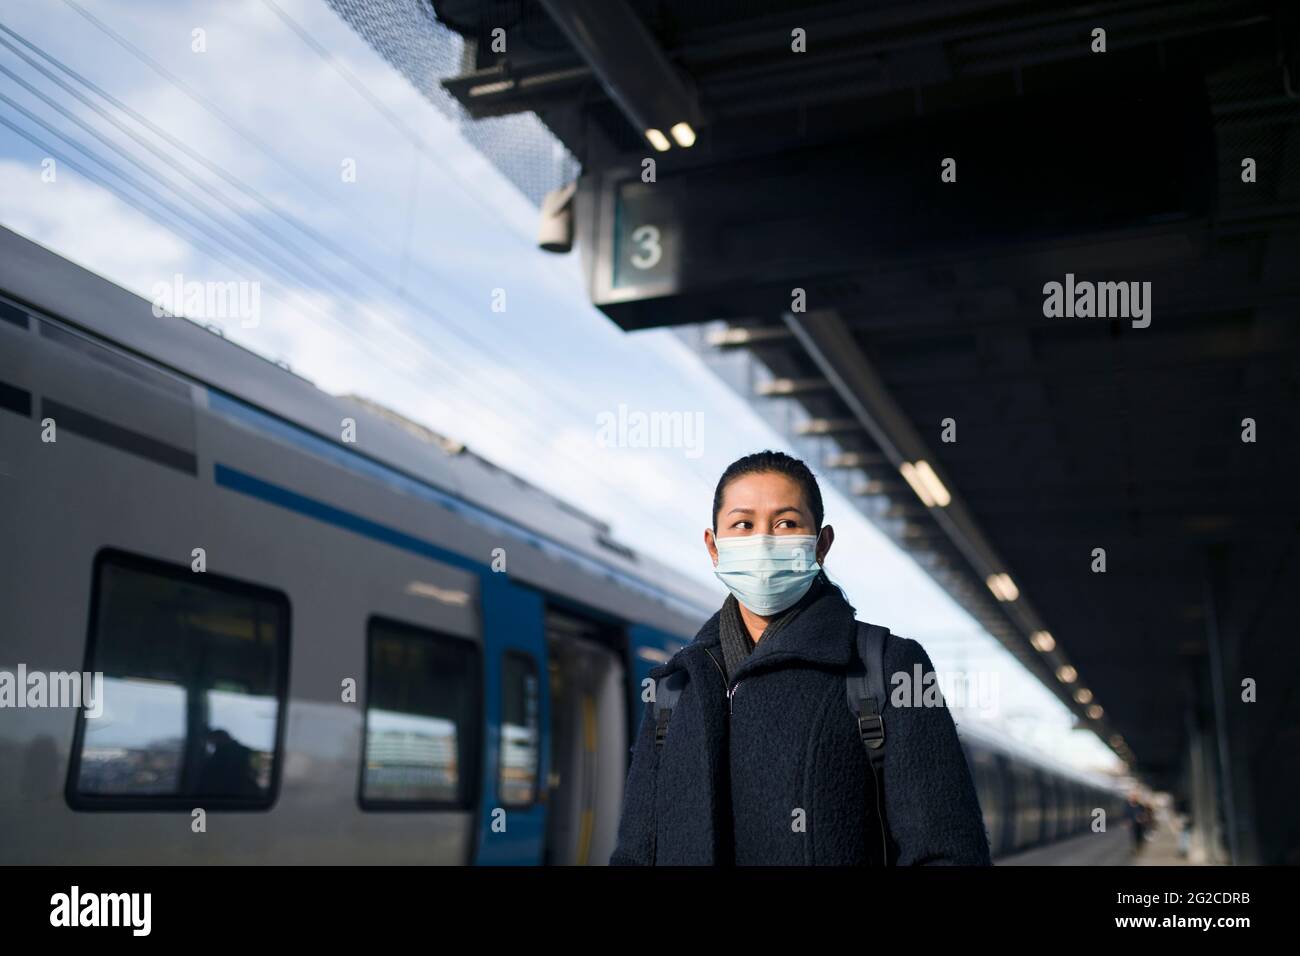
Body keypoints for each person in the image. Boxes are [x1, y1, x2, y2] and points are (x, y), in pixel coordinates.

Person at [610, 450, 992, 865]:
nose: (763, 541)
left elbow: (947, 852)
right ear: (713, 546)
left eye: (787, 523)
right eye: (743, 524)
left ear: (821, 544)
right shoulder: (673, 688)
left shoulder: (887, 668)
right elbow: (635, 854)